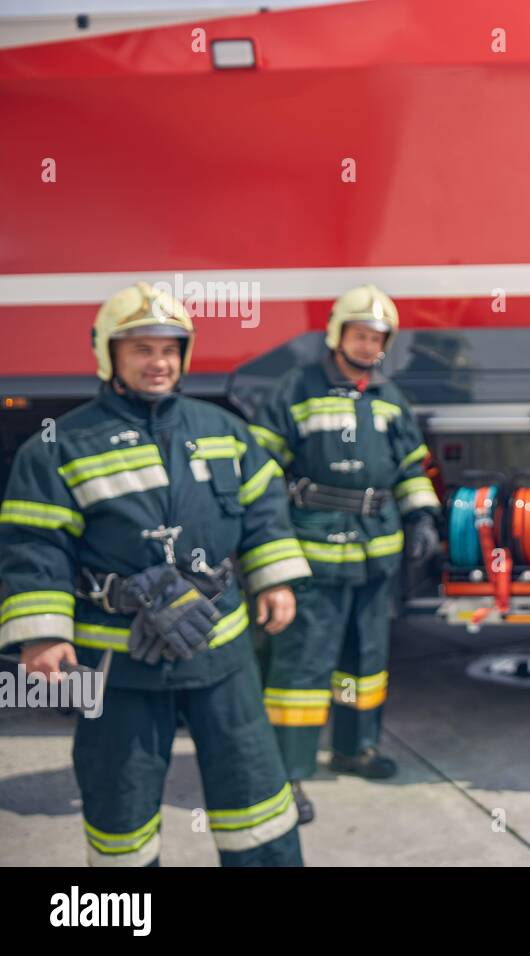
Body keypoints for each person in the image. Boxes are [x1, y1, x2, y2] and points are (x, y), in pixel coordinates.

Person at [0, 281, 309, 866]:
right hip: (117, 664)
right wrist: (42, 633)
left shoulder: (224, 429)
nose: (158, 361)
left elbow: (265, 504)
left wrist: (275, 577)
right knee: (119, 808)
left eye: (169, 348)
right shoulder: (59, 446)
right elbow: (32, 544)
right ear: (108, 356)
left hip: (221, 651)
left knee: (257, 798)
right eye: (141, 349)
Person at [250, 284, 440, 823]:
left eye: (377, 337)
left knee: (364, 658)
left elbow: (411, 468)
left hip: (375, 556)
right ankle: (286, 776)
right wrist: (265, 545)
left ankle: (356, 749)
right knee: (302, 665)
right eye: (359, 334)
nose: (368, 345)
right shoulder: (296, 389)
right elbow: (260, 472)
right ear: (337, 335)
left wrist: (421, 517)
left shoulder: (387, 396)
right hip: (311, 555)